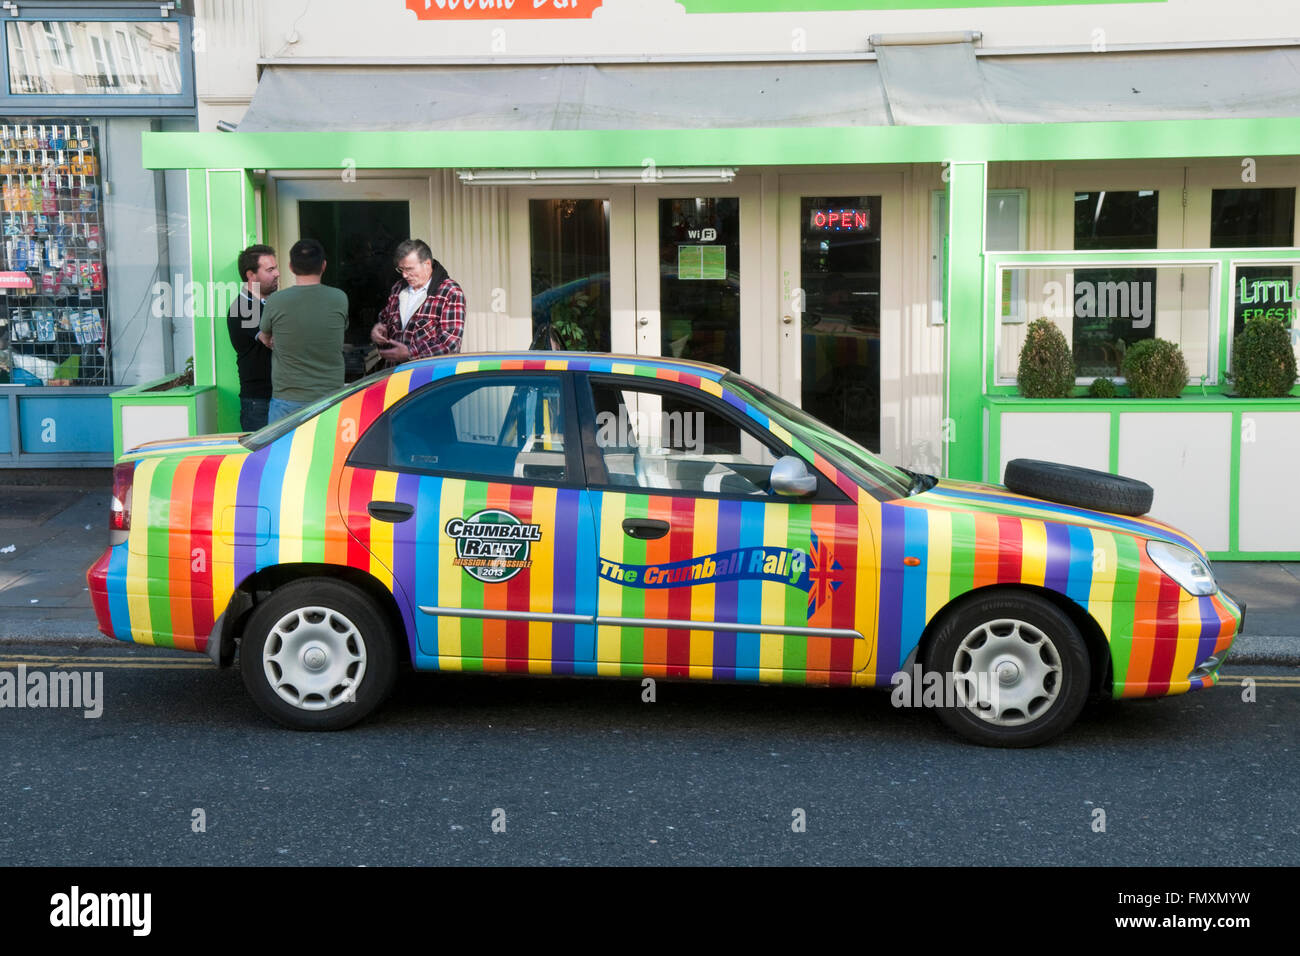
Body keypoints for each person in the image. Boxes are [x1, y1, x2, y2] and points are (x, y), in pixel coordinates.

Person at [257, 238, 347, 423]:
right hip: (331, 398)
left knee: (283, 452)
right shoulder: (339, 298)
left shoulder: (276, 301)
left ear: (290, 266)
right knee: (327, 451)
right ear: (323, 265)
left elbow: (265, 336)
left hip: (287, 399)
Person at [370, 239, 465, 364]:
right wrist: (379, 330)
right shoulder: (398, 288)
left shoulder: (450, 292)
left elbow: (449, 345)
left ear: (427, 264)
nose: (404, 275)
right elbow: (385, 319)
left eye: (409, 269)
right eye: (401, 269)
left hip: (431, 377)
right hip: (395, 374)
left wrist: (409, 353)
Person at [227, 244, 279, 431]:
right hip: (259, 403)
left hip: (278, 398)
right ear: (251, 275)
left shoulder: (272, 302)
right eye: (270, 269)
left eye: (276, 268)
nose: (277, 273)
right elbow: (274, 341)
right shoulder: (244, 308)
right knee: (264, 459)